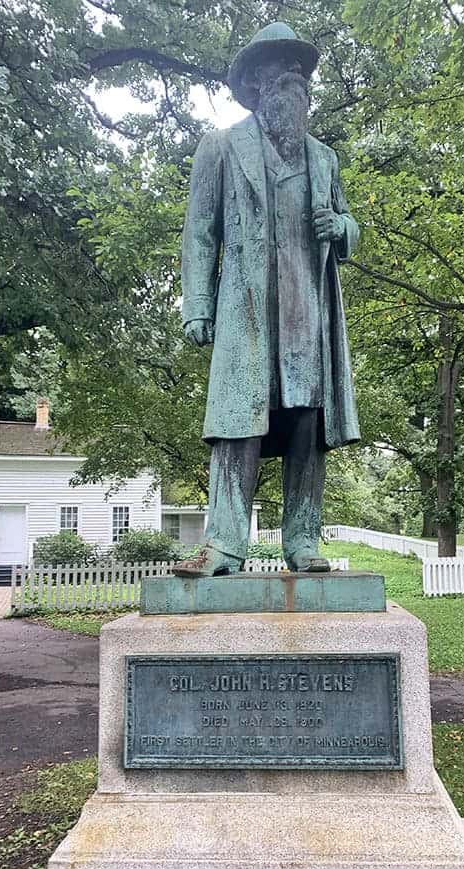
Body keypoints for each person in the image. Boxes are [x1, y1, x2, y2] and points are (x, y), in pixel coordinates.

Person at [173, 22, 359, 577]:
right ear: (256, 83)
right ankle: (224, 545)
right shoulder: (222, 146)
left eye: (300, 72)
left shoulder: (323, 158)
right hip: (246, 310)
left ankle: (303, 540)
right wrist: (198, 304)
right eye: (281, 69)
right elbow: (200, 232)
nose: (293, 79)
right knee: (238, 424)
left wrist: (341, 227)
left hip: (307, 308)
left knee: (305, 422)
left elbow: (350, 225)